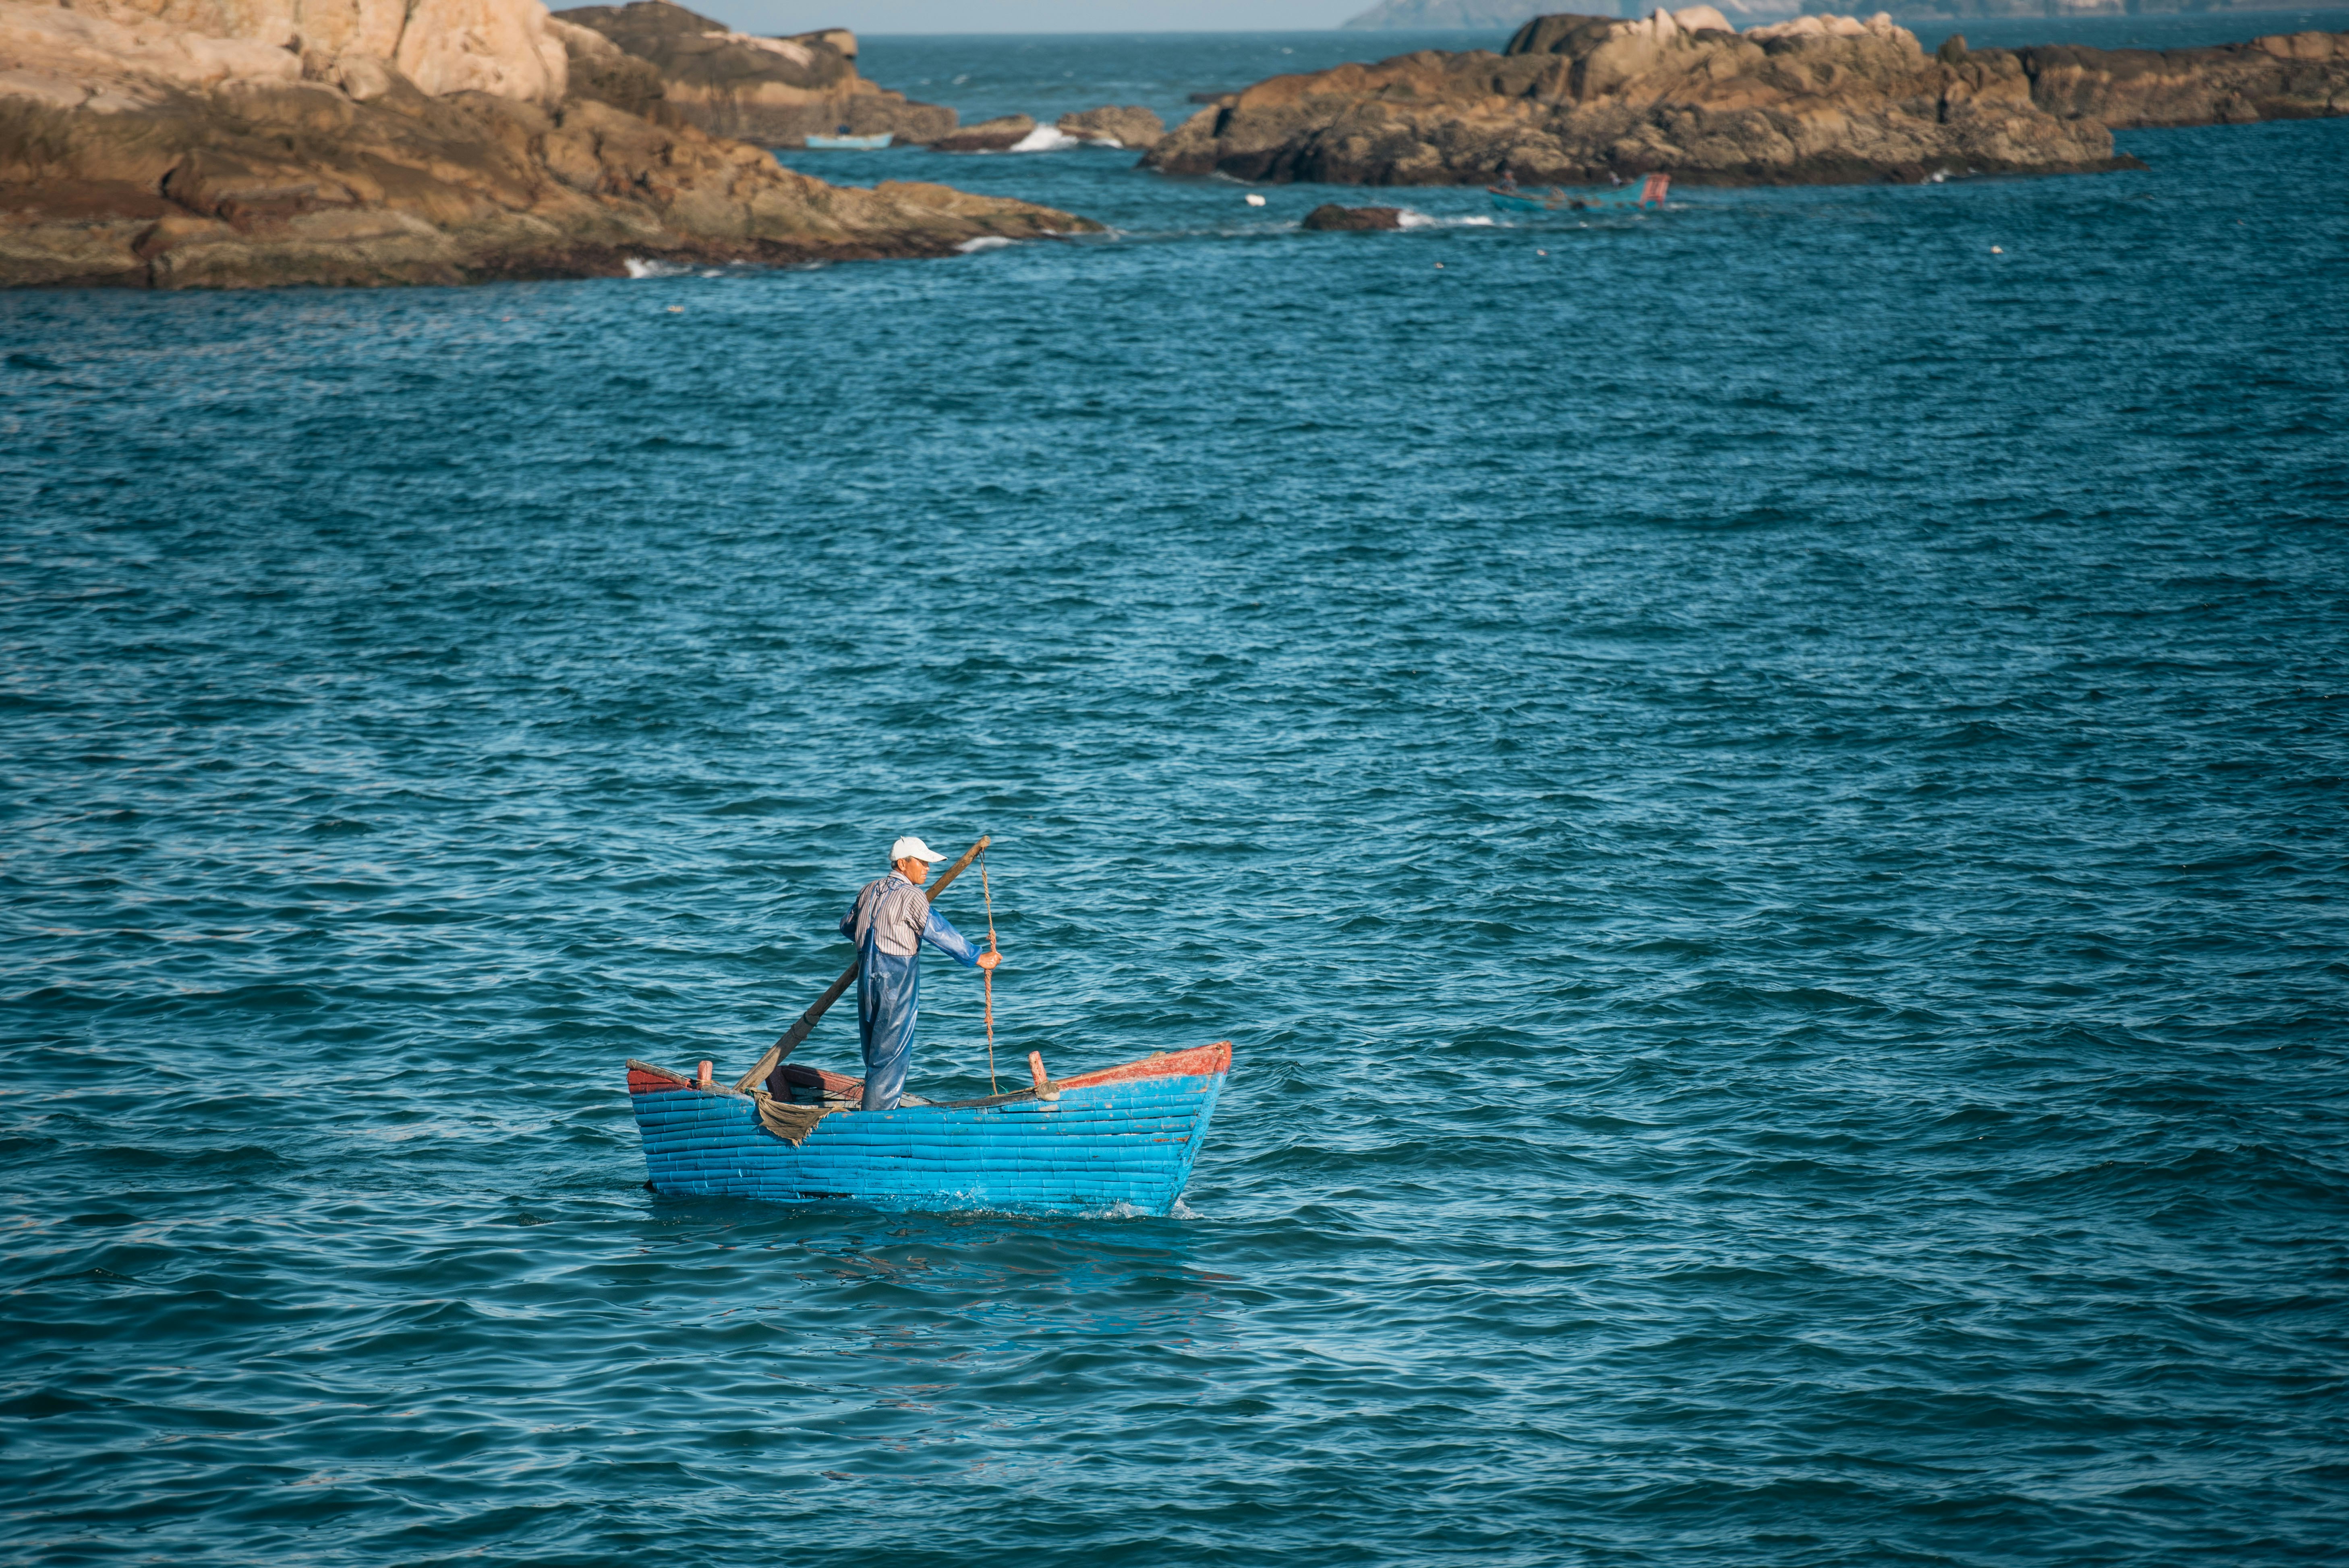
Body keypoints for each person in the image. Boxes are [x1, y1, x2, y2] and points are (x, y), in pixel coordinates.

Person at [839, 835, 1000, 1111]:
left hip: (867, 978)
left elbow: (847, 926)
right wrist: (977, 957)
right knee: (890, 1055)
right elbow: (940, 932)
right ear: (903, 864)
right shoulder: (912, 896)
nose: (927, 868)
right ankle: (877, 1124)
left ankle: (875, 1112)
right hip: (895, 980)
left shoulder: (869, 890)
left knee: (875, 1054)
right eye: (922, 862)